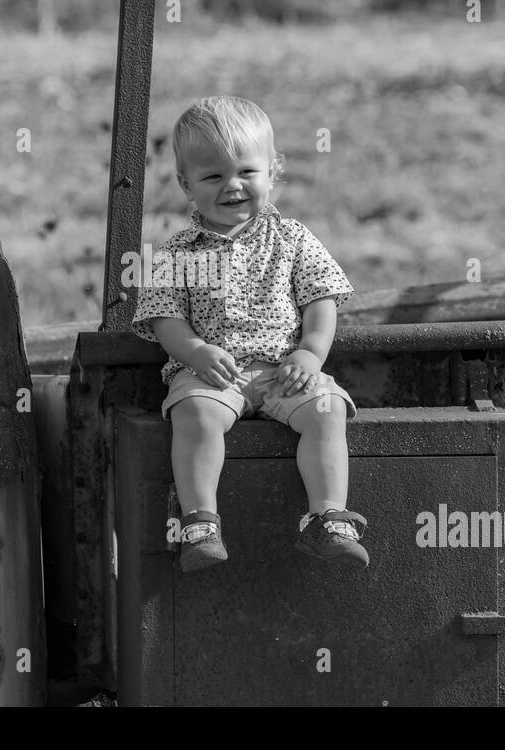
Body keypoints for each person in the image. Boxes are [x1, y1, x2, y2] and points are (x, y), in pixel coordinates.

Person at [132, 95, 368, 573]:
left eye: (246, 172)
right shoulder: (180, 252)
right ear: (185, 183)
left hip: (286, 371)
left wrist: (310, 356)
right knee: (194, 411)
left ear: (273, 170)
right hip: (214, 375)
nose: (233, 186)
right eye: (213, 176)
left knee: (327, 409)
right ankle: (200, 521)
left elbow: (320, 303)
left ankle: (328, 518)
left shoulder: (294, 239)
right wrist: (195, 351)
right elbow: (166, 319)